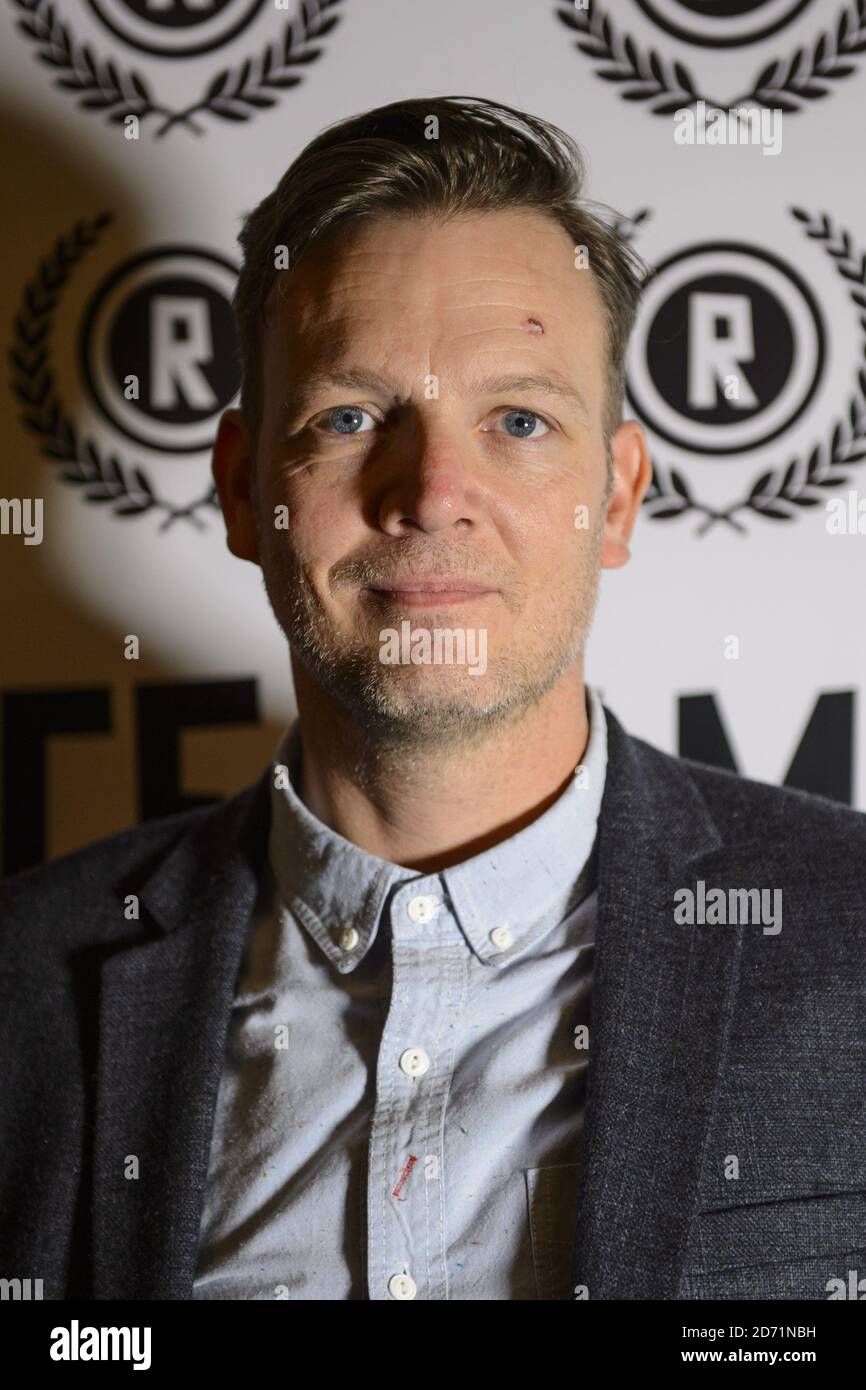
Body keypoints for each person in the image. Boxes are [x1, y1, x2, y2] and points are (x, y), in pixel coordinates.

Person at [2, 96, 865, 1302]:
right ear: (245, 492)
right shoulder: (24, 985)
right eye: (350, 416)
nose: (431, 491)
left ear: (617, 497)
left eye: (516, 419)